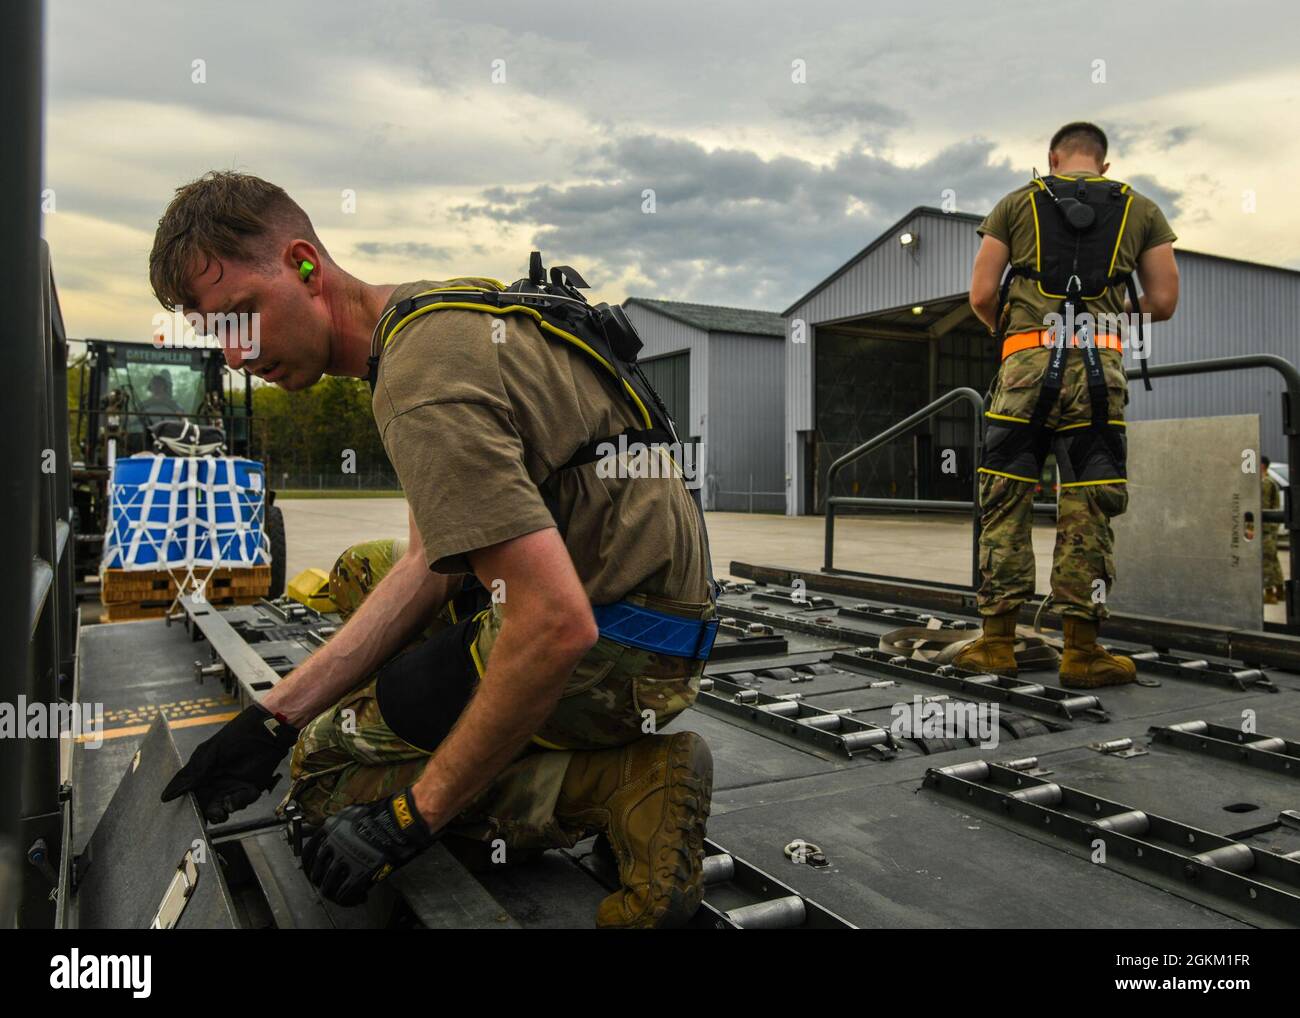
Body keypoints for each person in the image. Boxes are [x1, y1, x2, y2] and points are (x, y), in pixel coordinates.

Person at [149, 171, 717, 928]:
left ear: (306, 265)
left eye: (242, 317)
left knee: (323, 772)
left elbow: (554, 625)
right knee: (369, 572)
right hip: (653, 616)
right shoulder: (428, 316)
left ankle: (621, 781)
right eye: (218, 335)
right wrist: (272, 716)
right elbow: (426, 567)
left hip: (617, 652)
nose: (237, 356)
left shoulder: (420, 379)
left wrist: (413, 815)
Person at [956, 122, 1180, 688]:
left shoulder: (1016, 203)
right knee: (1088, 505)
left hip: (1026, 369)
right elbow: (1164, 300)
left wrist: (1007, 332)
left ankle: (997, 645)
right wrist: (1107, 316)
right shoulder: (1141, 210)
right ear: (1103, 164)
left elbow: (981, 294)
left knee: (1005, 499)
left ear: (1052, 157)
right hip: (1097, 377)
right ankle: (1082, 653)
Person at [1262, 456, 1284, 604]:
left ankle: (1270, 594)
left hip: (1265, 529)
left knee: (1266, 562)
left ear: (1262, 466)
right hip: (1270, 528)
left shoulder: (1266, 483)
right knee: (1273, 560)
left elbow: (1261, 508)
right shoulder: (1270, 482)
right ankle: (1280, 591)